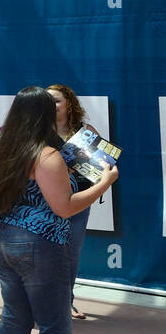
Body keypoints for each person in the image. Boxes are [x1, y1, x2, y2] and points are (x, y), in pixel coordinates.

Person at [0, 86, 117, 334]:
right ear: (43, 114)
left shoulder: (0, 149)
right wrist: (105, 182)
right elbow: (65, 207)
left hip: (2, 239)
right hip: (38, 246)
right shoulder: (46, 156)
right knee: (54, 331)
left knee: (14, 319)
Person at [48, 84, 96, 320]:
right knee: (47, 254)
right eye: (48, 101)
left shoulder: (85, 131)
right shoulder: (38, 133)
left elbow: (101, 169)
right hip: (45, 204)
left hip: (77, 202)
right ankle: (46, 304)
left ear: (69, 104)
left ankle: (66, 302)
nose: (52, 105)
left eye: (56, 100)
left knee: (71, 255)